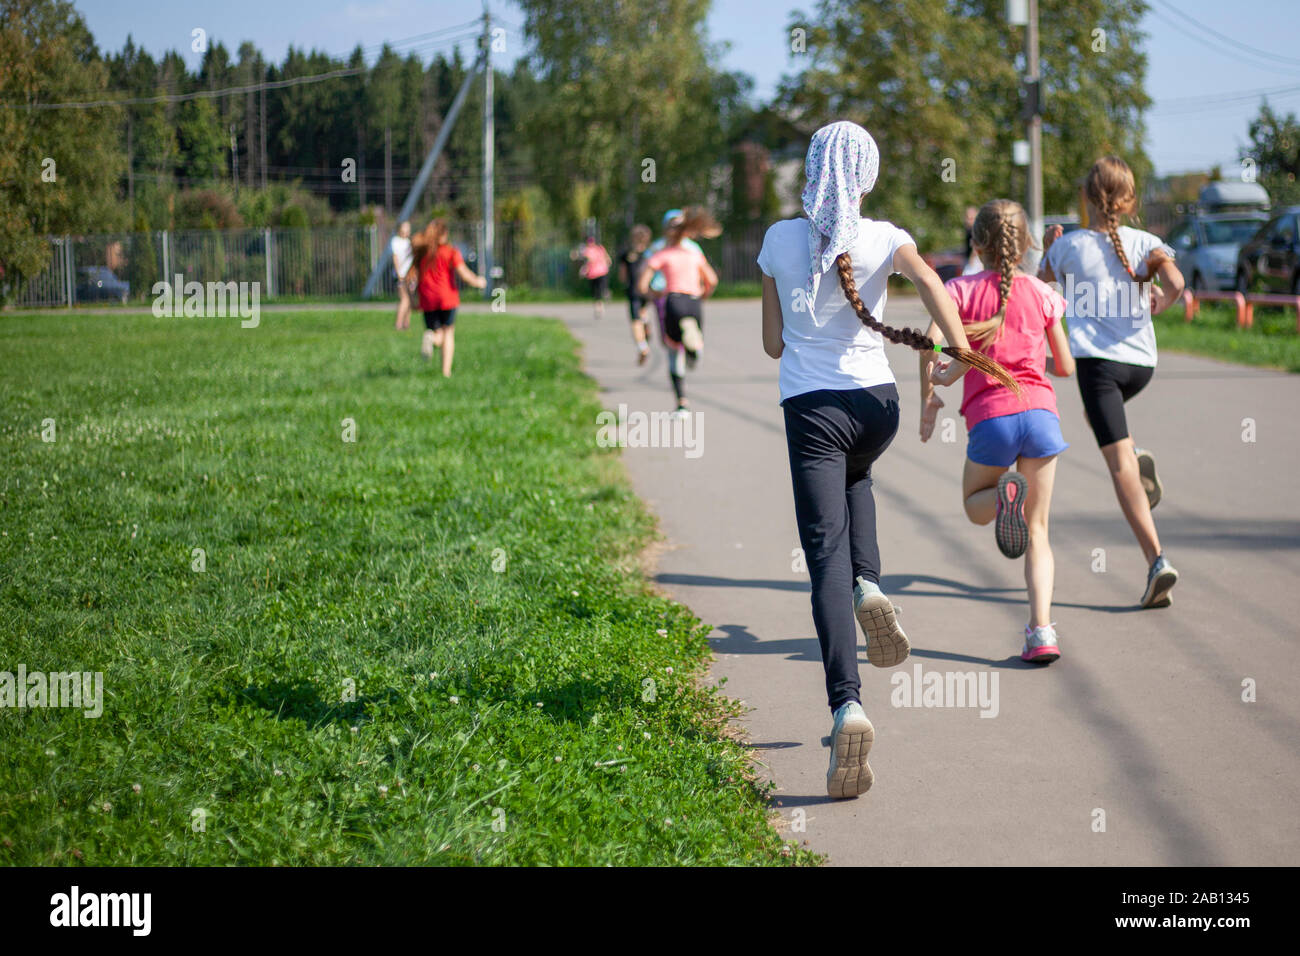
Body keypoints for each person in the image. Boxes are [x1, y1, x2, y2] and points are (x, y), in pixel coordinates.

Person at [758, 121, 1021, 799]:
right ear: (867, 177)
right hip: (877, 406)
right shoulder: (886, 236)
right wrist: (954, 347)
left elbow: (771, 345)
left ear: (813, 170)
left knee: (823, 557)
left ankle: (847, 703)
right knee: (861, 478)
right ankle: (870, 585)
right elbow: (933, 279)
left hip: (813, 411)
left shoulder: (779, 241)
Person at [919, 199, 1075, 664]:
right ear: (1026, 243)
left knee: (973, 506)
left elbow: (929, 345)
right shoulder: (1043, 295)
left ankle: (1005, 492)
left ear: (977, 243)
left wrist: (929, 402)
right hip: (1042, 416)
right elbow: (1064, 366)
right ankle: (1042, 631)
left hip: (992, 419)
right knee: (1039, 529)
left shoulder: (959, 290)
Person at [1038, 155, 1185, 608]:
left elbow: (1039, 290)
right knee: (1105, 420)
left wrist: (1047, 249)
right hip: (1141, 367)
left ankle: (1156, 559)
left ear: (1087, 199)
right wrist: (1161, 298)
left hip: (1098, 369)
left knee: (1117, 465)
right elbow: (1178, 286)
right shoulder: (1148, 242)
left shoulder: (1070, 245)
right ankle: (1134, 450)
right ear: (1129, 199)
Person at [636, 208, 721, 418]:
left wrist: (652, 295)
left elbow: (641, 284)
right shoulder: (694, 251)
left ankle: (682, 403)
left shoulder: (659, 251)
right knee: (689, 337)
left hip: (669, 301)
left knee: (673, 351)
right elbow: (712, 280)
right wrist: (702, 295)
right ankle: (695, 347)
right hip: (693, 301)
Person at [411, 219, 487, 378]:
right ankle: (446, 372)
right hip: (447, 297)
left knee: (437, 333)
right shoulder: (450, 251)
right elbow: (464, 273)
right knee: (448, 333)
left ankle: (431, 338)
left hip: (427, 298)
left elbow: (414, 276)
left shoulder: (423, 252)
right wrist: (478, 282)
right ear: (444, 234)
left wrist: (412, 298)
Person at [618, 224, 654, 364]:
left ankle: (642, 347)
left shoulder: (626, 254)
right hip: (647, 290)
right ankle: (646, 324)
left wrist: (624, 284)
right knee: (643, 312)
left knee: (635, 320)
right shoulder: (651, 253)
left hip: (633, 290)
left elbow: (622, 275)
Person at [575, 236, 612, 319]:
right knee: (598, 291)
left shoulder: (588, 250)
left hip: (597, 272)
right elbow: (607, 259)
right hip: (598, 272)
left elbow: (588, 261)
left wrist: (583, 270)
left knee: (597, 292)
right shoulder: (599, 248)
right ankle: (602, 302)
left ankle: (600, 305)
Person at [391, 221, 414, 331]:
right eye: (405, 227)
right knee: (405, 299)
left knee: (410, 300)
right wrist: (399, 273)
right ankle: (398, 323)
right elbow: (395, 258)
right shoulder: (396, 241)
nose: (407, 230)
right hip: (401, 275)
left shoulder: (409, 242)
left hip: (410, 275)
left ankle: (406, 323)